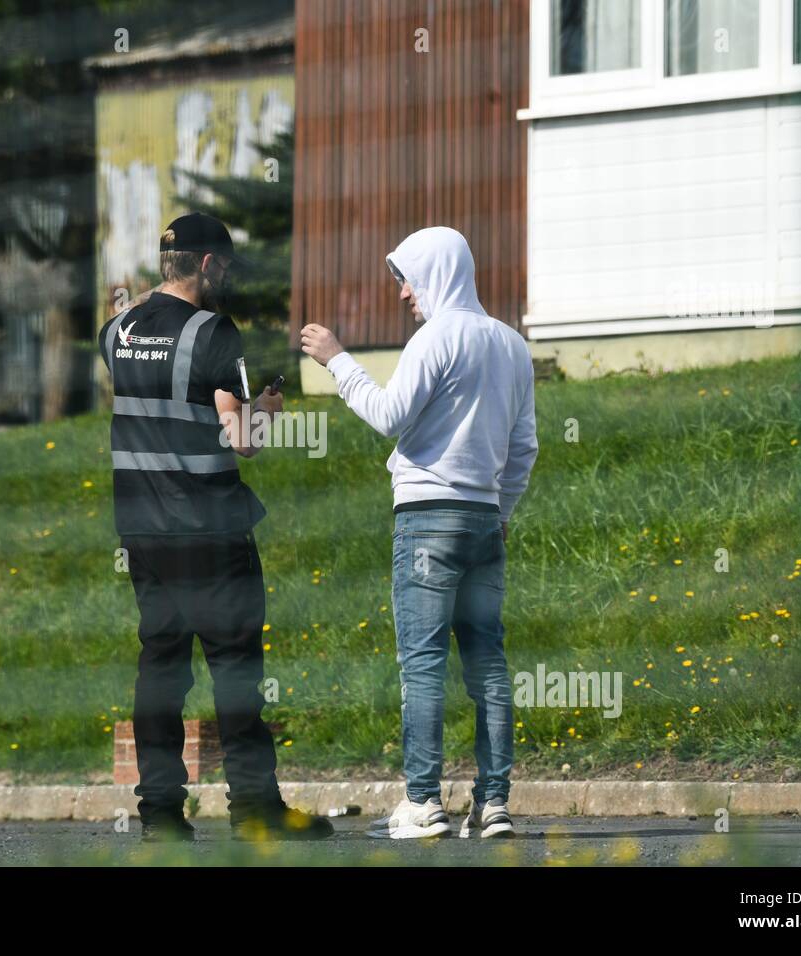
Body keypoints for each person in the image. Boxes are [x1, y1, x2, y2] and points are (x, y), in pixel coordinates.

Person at [98, 212, 333, 843]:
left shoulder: (115, 330)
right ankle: (256, 809)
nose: (225, 277)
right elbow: (242, 439)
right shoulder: (214, 332)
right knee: (235, 671)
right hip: (210, 528)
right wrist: (269, 411)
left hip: (142, 531)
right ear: (207, 264)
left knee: (161, 668)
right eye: (223, 266)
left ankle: (161, 818)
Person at [300, 226, 539, 840]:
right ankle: (494, 805)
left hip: (427, 518)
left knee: (424, 664)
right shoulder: (511, 345)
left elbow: (388, 415)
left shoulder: (436, 339)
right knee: (487, 661)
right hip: (485, 522)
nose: (403, 292)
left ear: (435, 272)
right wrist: (502, 511)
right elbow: (524, 447)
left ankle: (424, 802)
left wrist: (337, 360)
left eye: (406, 277)